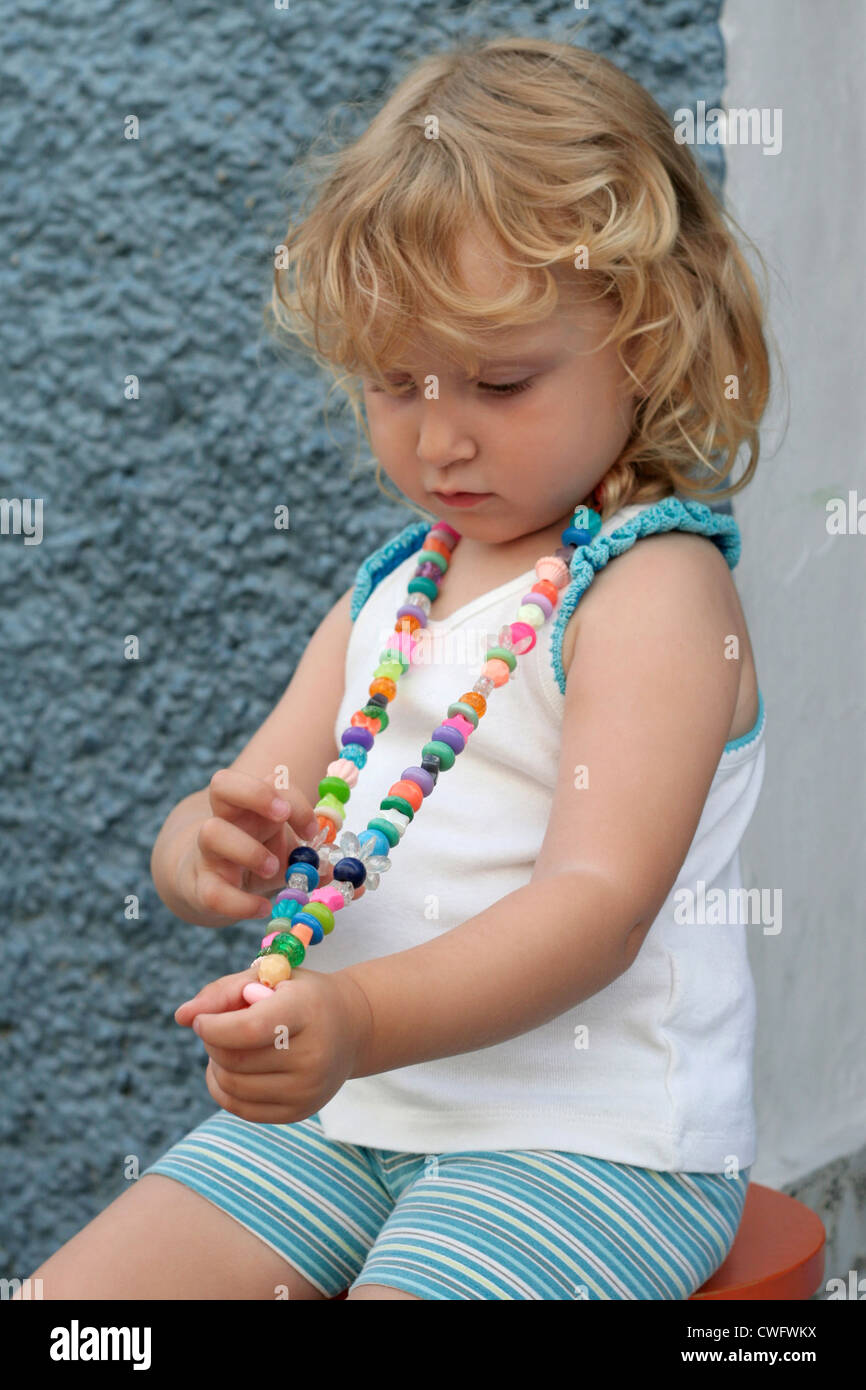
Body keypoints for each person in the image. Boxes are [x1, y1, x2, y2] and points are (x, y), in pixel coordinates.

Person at [23, 35, 772, 1301]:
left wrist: (357, 1018)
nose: (439, 438)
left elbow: (599, 903)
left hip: (587, 1149)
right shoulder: (392, 589)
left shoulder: (651, 590)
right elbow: (240, 802)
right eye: (394, 383)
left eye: (499, 379)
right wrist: (210, 850)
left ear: (644, 337)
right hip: (353, 1121)